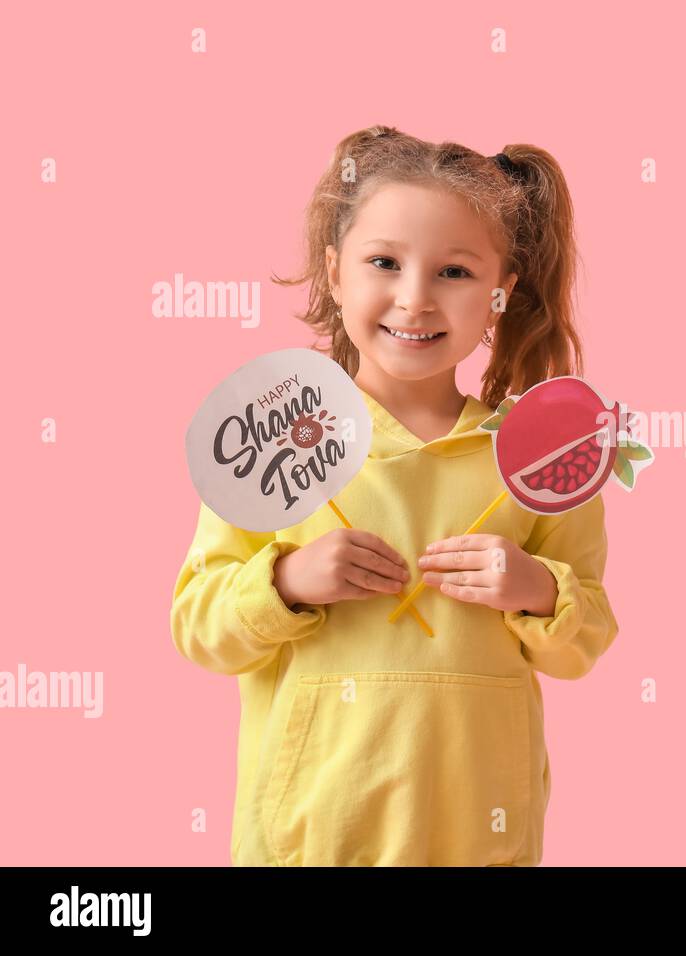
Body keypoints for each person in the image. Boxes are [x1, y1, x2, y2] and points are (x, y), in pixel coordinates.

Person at [169, 126, 618, 866]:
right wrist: (283, 583)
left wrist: (536, 588)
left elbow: (586, 640)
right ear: (335, 273)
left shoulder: (537, 458)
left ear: (502, 293)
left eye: (455, 272)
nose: (414, 300)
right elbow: (198, 626)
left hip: (477, 828)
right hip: (308, 833)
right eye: (384, 262)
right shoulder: (274, 438)